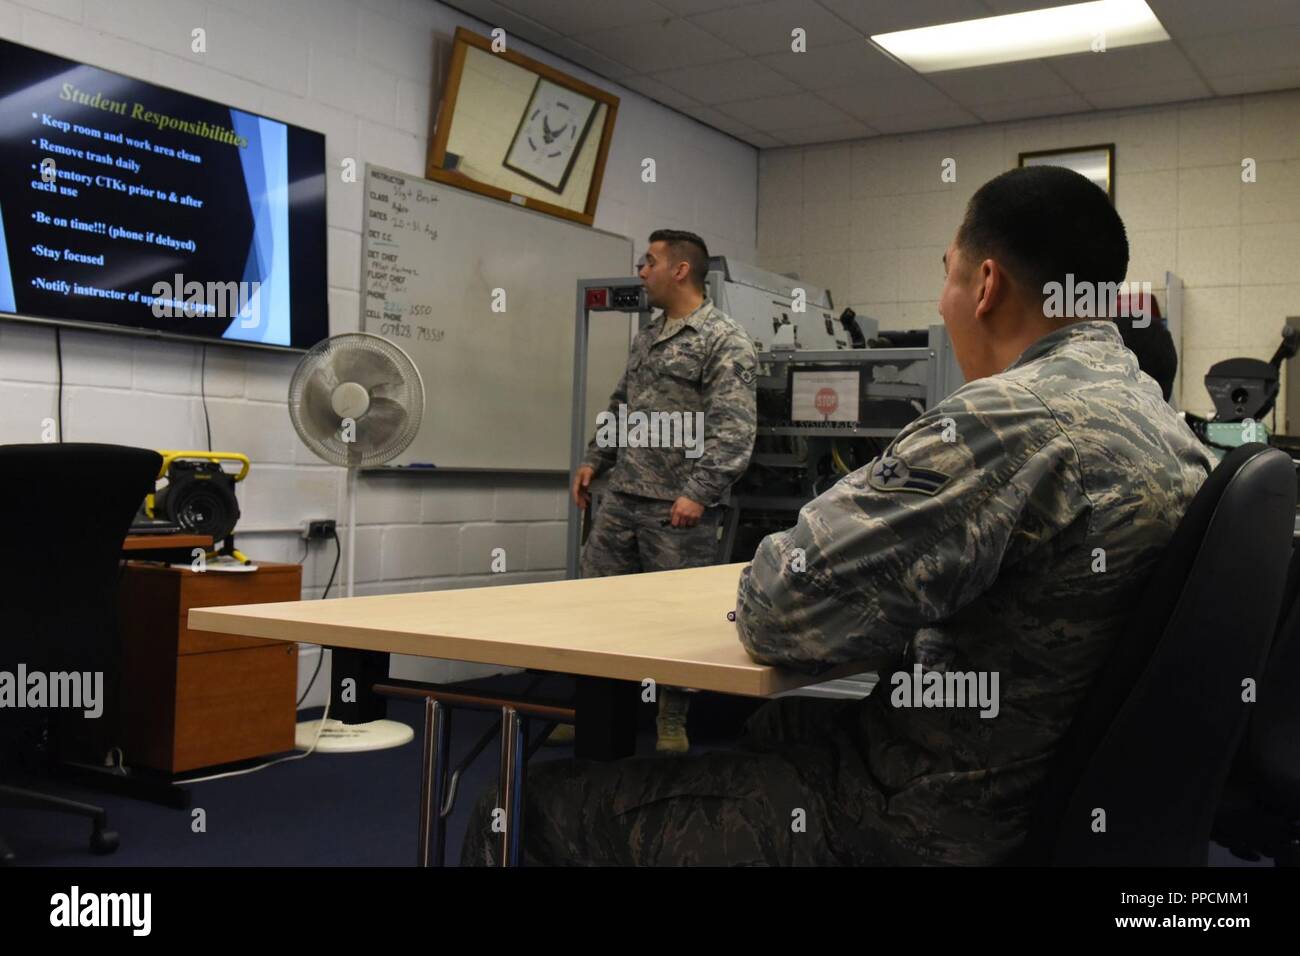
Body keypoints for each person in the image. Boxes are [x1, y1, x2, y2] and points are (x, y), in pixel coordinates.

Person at [462, 166, 1212, 866]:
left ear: (984, 283)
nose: (943, 300)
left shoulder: (1012, 419)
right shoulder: (1159, 419)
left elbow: (775, 609)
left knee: (521, 810)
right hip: (1046, 791)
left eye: (946, 273)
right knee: (767, 726)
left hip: (921, 813)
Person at [549, 229, 758, 753]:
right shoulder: (649, 335)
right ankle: (593, 708)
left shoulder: (723, 339)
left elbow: (736, 429)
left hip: (678, 506)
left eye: (650, 262)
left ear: (680, 270)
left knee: (675, 616)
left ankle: (672, 719)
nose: (642, 272)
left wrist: (700, 491)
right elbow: (623, 403)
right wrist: (596, 460)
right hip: (624, 496)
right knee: (597, 604)